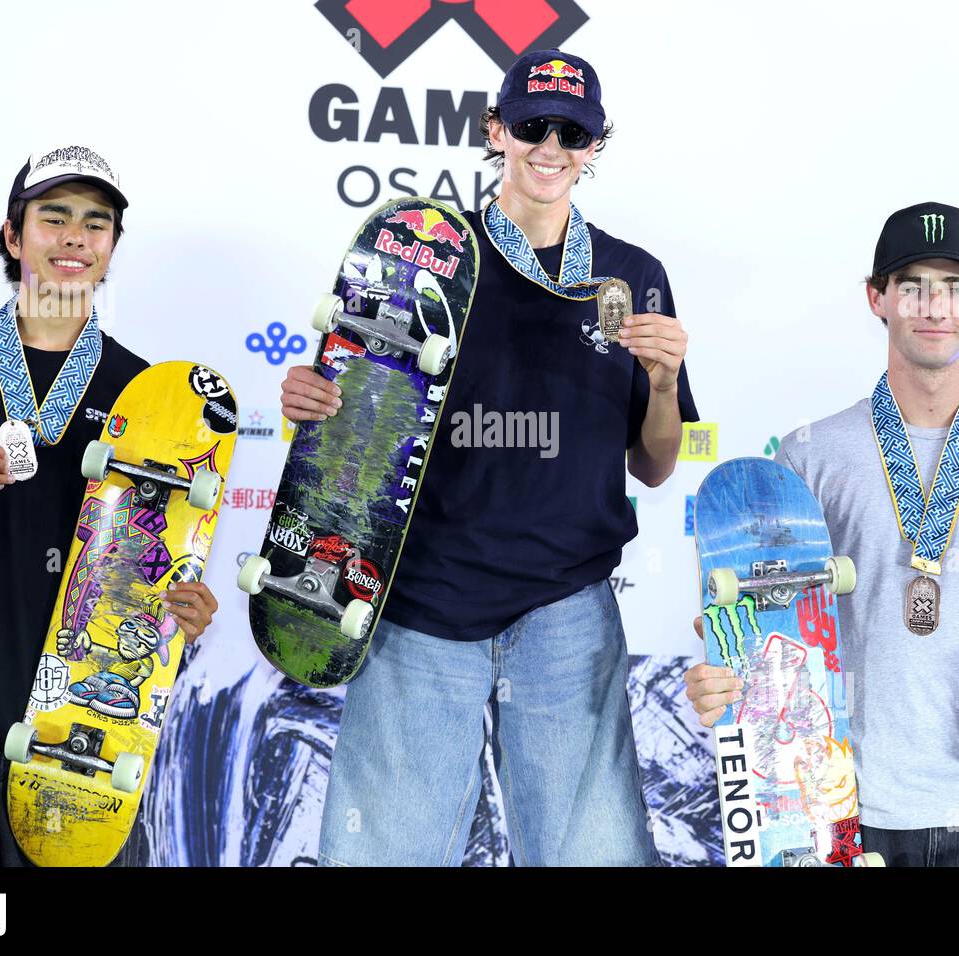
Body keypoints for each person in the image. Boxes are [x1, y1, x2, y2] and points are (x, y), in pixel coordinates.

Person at [281, 50, 697, 865]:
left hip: (567, 605)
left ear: (594, 145)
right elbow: (354, 429)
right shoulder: (422, 258)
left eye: (572, 132)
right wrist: (316, 402)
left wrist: (661, 383)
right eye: (533, 125)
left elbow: (654, 467)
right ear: (496, 130)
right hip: (420, 599)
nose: (551, 146)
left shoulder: (631, 275)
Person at [685, 202, 959, 866]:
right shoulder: (808, 458)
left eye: (956, 286)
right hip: (845, 811)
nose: (934, 306)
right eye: (912, 286)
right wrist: (723, 670)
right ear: (876, 298)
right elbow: (760, 632)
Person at [0, 145, 220, 866]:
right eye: (54, 217)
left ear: (112, 247)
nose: (75, 237)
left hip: (82, 733)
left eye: (96, 222)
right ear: (13, 236)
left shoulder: (145, 390)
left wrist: (184, 609)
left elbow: (158, 557)